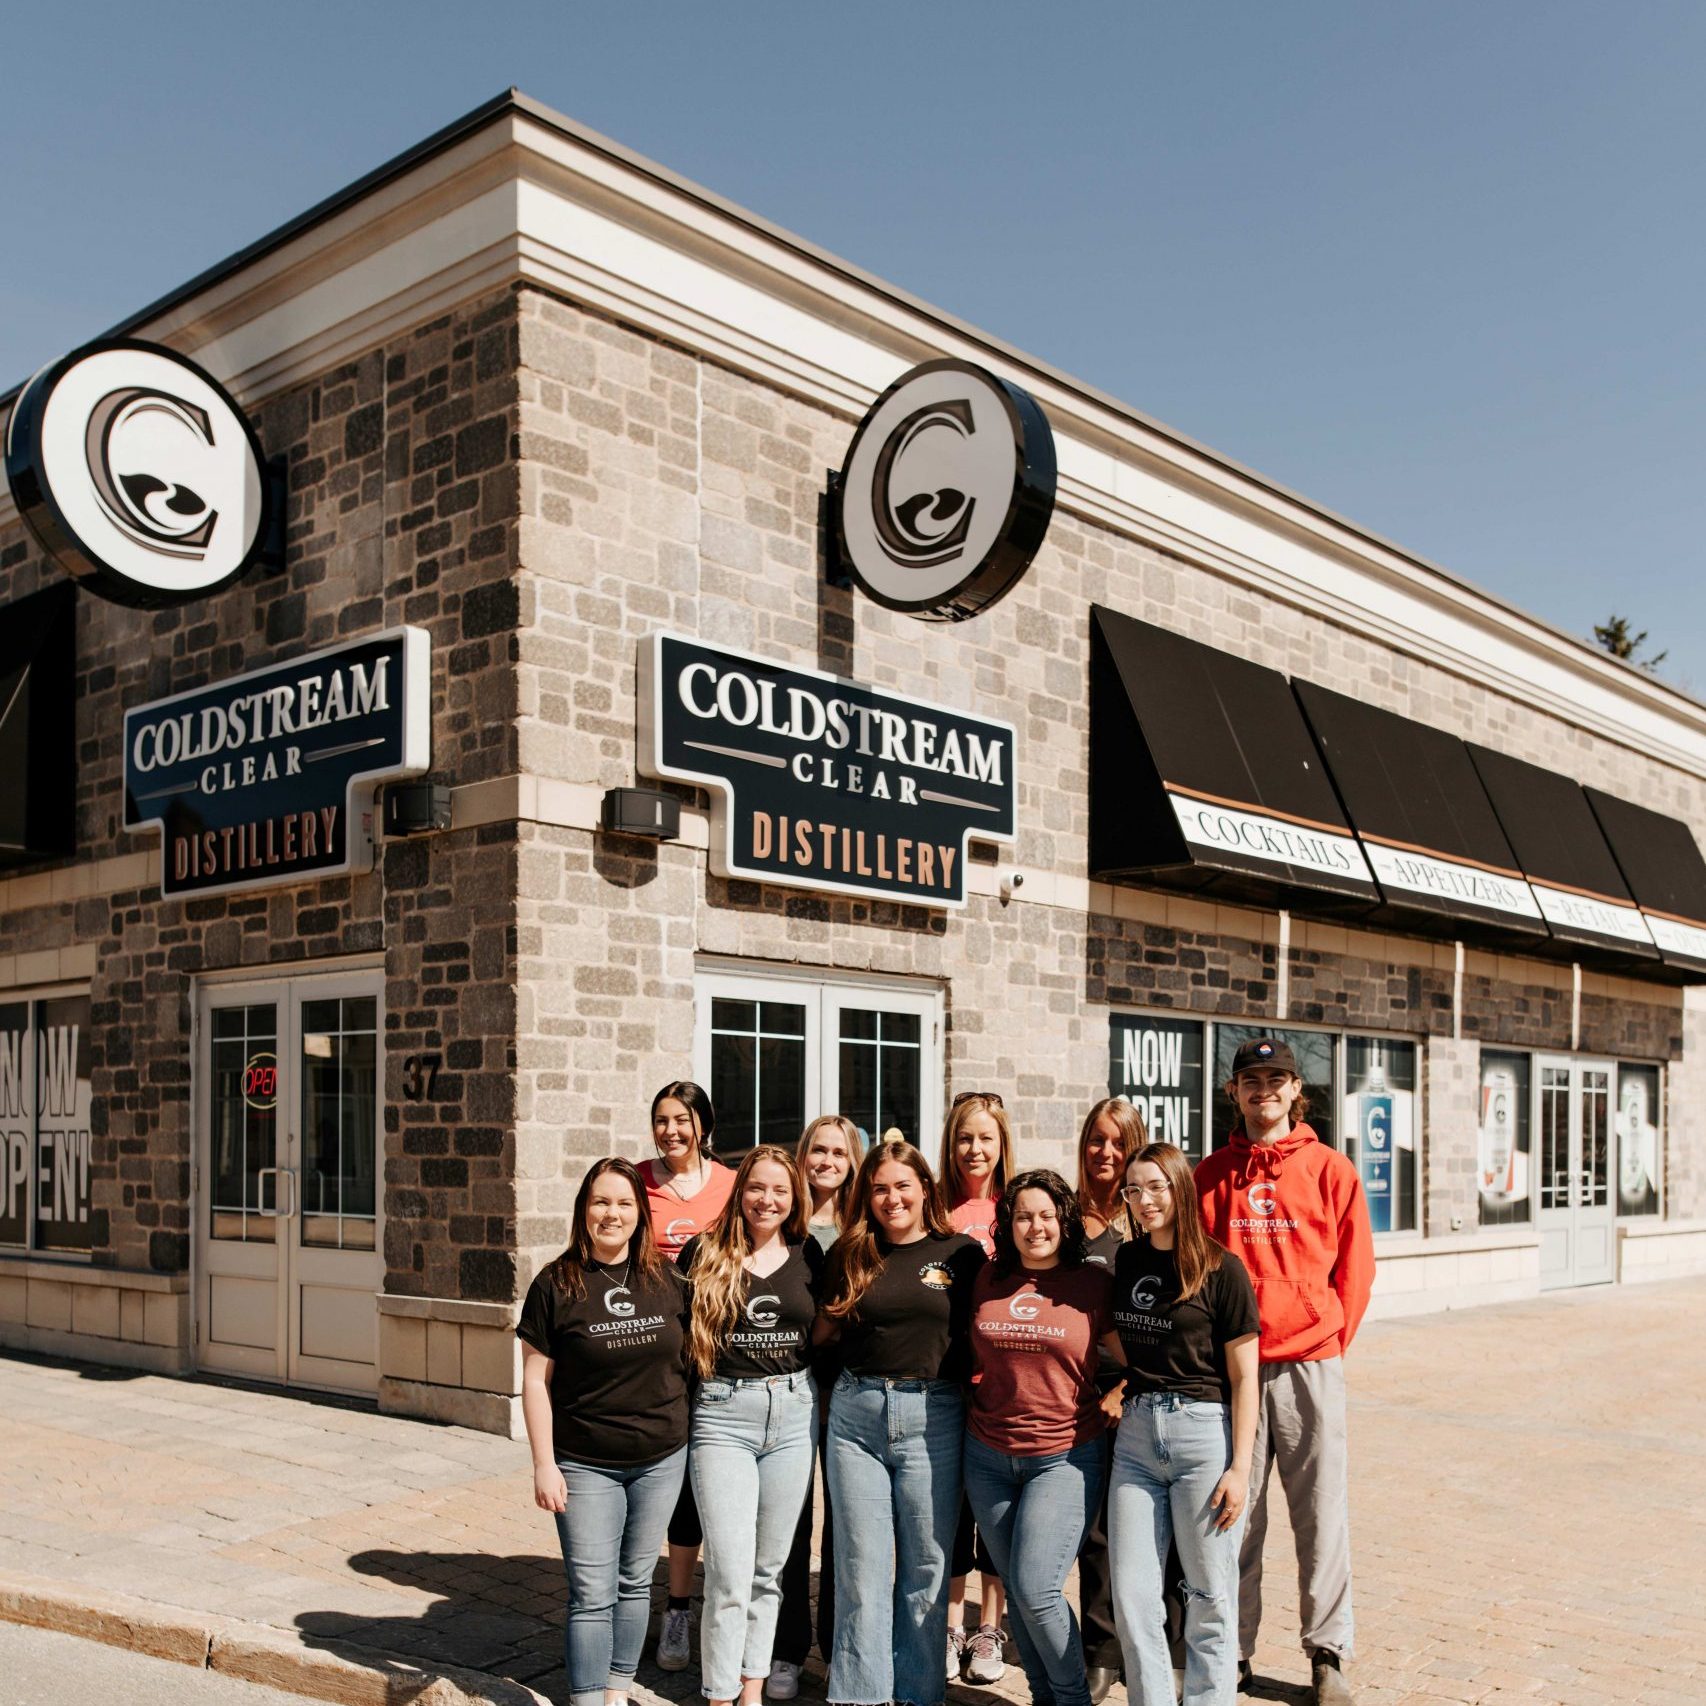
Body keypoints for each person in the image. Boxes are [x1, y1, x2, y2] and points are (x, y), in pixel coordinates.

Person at [1193, 1039, 1374, 1706]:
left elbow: (1356, 1272)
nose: (1263, 1089)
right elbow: (1194, 1271)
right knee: (1232, 1516)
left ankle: (1328, 1654)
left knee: (1320, 1514)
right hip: (1230, 1370)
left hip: (1308, 1366)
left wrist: (1324, 1336)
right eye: (1250, 1079)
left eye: (1276, 1078)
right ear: (1233, 1092)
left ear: (1297, 1089)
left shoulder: (1331, 1170)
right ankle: (1229, 1650)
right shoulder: (1209, 1176)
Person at [518, 1157, 692, 1706]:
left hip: (661, 1457)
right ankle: (587, 1698)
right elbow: (534, 1380)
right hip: (584, 1460)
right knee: (592, 1593)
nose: (611, 1213)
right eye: (600, 1202)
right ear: (583, 1210)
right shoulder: (555, 1284)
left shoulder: (668, 1281)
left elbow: (690, 1363)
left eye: (623, 1203)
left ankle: (618, 1689)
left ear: (641, 1213)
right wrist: (544, 1464)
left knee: (635, 1582)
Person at [820, 1137, 984, 1706]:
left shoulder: (962, 1254)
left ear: (924, 1190)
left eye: (902, 1186)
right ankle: (859, 1695)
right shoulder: (850, 1252)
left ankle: (917, 1693)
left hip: (933, 1418)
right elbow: (822, 1333)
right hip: (855, 1419)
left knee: (927, 1566)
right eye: (881, 1187)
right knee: (861, 1567)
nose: (892, 1198)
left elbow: (982, 1337)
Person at [1106, 1142, 1259, 1706]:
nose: (1144, 1200)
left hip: (1203, 1438)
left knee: (1209, 1594)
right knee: (1134, 1595)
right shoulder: (1127, 1260)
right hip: (1137, 1441)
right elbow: (1117, 1339)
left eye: (1155, 1187)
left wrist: (1241, 1468)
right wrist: (1124, 1385)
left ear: (1180, 1188)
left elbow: (1244, 1379)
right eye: (1133, 1189)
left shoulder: (1223, 1269)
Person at [962, 1169, 1114, 1706]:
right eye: (1023, 1215)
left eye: (1046, 1215)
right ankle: (1044, 1696)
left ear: (1064, 1220)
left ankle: (1071, 1698)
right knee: (1014, 1582)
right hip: (987, 1454)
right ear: (1008, 1222)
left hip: (1064, 1457)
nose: (1035, 1226)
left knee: (1036, 1588)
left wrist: (1115, 1400)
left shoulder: (1092, 1283)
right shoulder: (987, 1278)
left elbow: (1137, 1357)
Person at [681, 1146, 824, 1706]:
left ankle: (752, 1689)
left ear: (795, 1199)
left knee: (771, 1570)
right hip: (723, 1415)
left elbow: (832, 1325)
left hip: (793, 1412)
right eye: (757, 1188)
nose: (767, 1199)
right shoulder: (705, 1251)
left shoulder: (810, 1253)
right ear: (740, 1193)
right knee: (729, 1571)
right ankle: (719, 1693)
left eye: (780, 1190)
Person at [642, 1080, 737, 1672]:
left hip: (722, 1355)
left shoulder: (729, 1186)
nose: (671, 1130)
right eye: (661, 1119)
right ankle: (676, 1606)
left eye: (681, 1119)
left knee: (717, 1484)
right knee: (675, 1486)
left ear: (702, 1124)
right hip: (656, 1355)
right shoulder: (636, 1179)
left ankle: (726, 1607)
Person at [771, 1115, 866, 1700]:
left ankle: (836, 1646)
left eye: (839, 1152)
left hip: (851, 1395)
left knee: (845, 1532)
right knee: (789, 1524)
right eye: (818, 1150)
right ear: (802, 1156)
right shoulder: (787, 1223)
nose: (827, 1161)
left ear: (853, 1161)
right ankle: (785, 1649)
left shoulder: (864, 1227)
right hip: (789, 1390)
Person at [1072, 1099, 1149, 1704]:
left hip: (1134, 1392)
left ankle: (1149, 1640)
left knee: (1139, 1529)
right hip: (1073, 1393)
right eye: (1097, 1140)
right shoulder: (1068, 1220)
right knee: (1093, 1529)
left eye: (1118, 1143)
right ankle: (1101, 1649)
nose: (1106, 1153)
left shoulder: (1145, 1224)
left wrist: (1128, 1386)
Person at [938, 1091, 1014, 1684]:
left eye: (986, 1137)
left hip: (1007, 1383)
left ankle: (991, 1624)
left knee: (997, 1508)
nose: (975, 1149)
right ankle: (950, 1623)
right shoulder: (937, 1208)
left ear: (1002, 1144)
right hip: (947, 1377)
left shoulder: (1017, 1209)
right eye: (965, 1137)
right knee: (952, 1505)